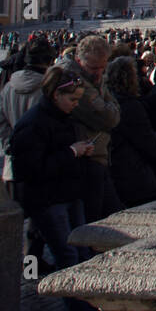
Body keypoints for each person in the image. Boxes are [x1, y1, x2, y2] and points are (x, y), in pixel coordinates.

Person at [8, 68, 95, 311]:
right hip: (48, 199)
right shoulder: (33, 123)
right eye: (72, 99)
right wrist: (71, 152)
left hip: (69, 193)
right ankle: (79, 310)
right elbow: (29, 170)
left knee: (81, 251)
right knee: (67, 255)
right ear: (56, 94)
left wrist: (79, 151)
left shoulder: (60, 117)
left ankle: (85, 303)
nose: (75, 105)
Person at [57, 36, 122, 222]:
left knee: (107, 217)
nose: (99, 73)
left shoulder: (93, 78)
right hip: (84, 161)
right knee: (96, 221)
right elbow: (108, 117)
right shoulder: (73, 82)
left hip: (95, 156)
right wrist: (108, 105)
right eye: (94, 68)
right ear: (79, 61)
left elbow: (114, 108)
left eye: (103, 67)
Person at [104, 57, 156, 208]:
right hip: (134, 176)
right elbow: (149, 146)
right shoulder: (131, 106)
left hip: (113, 173)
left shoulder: (105, 103)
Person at [0, 37, 56, 185]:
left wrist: (11, 146)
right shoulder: (51, 89)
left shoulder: (8, 87)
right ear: (50, 60)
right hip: (46, 166)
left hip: (13, 168)